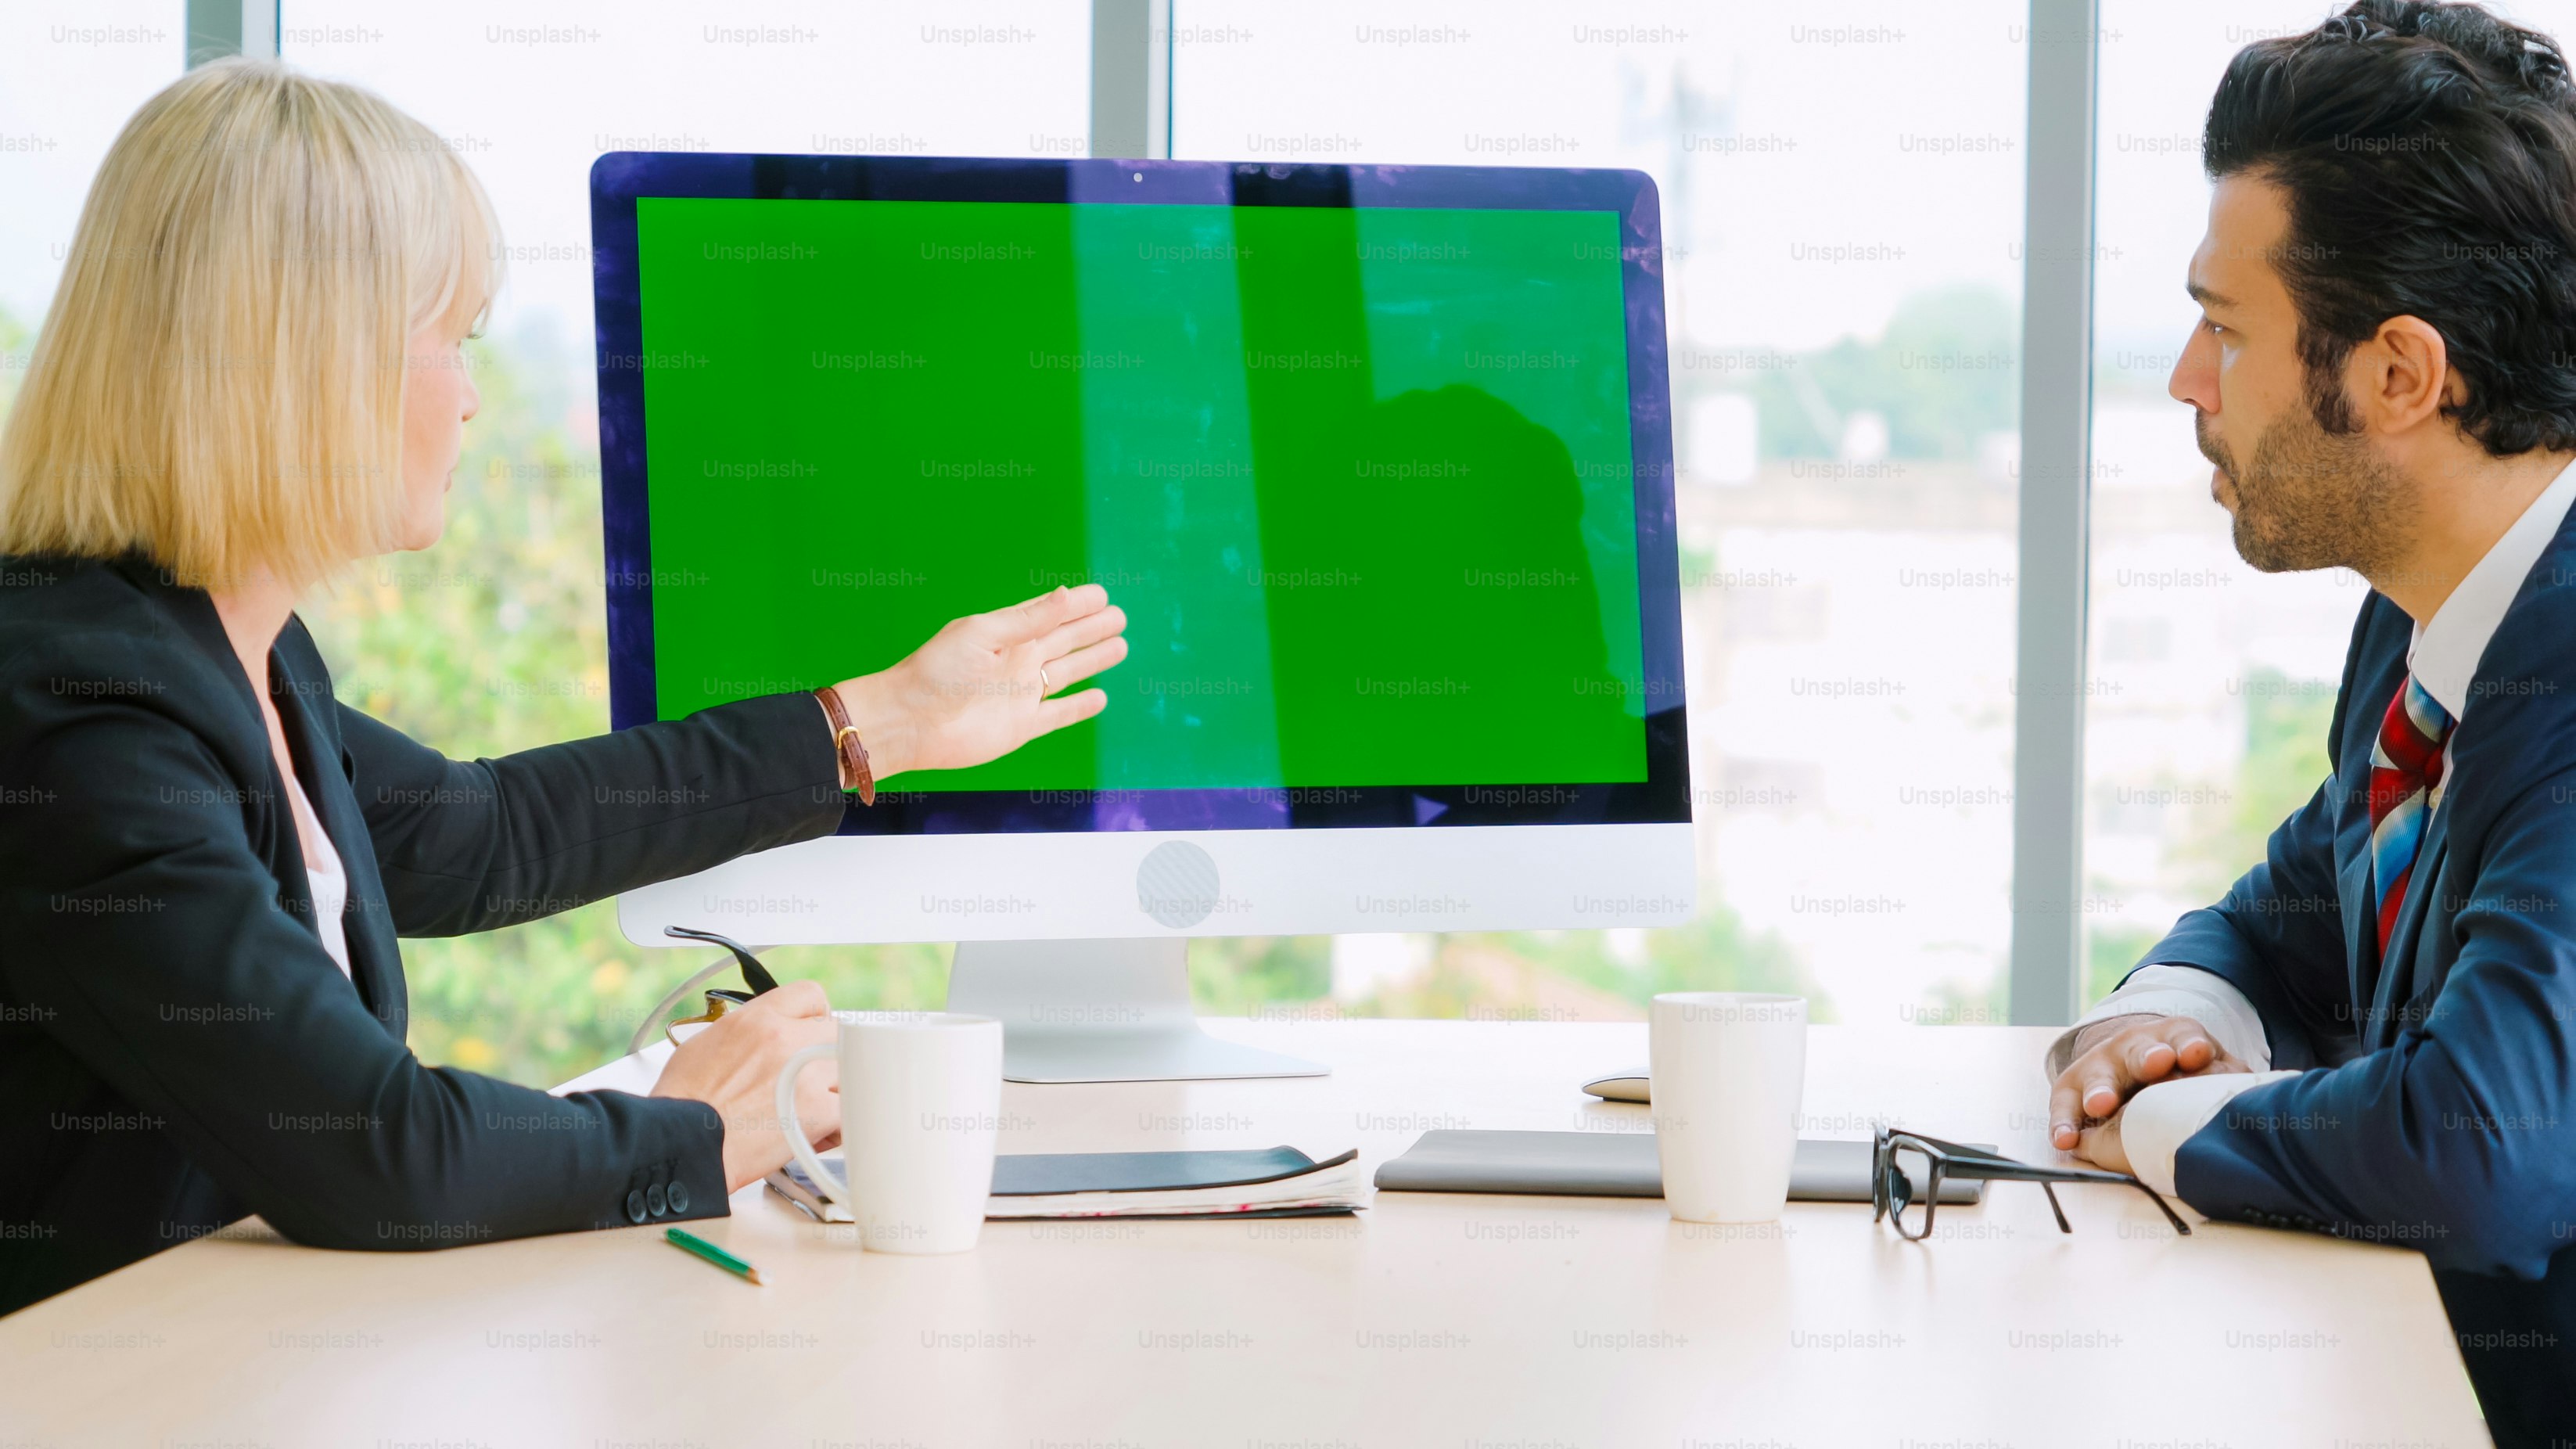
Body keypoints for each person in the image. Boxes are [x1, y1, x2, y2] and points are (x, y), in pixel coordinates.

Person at [0, 59, 1128, 1314]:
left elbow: (472, 836)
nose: (471, 397)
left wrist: (882, 721)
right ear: (303, 364)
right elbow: (373, 1152)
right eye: (448, 341)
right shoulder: (78, 718)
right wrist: (696, 1129)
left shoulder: (221, 653)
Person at [2040, 3, 2576, 1440]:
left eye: (2225, 329)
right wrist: (2162, 1023)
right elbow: (2284, 924)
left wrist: (2156, 1121)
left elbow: (2480, 1149)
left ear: (2398, 374)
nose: (2185, 379)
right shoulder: (2426, 621)